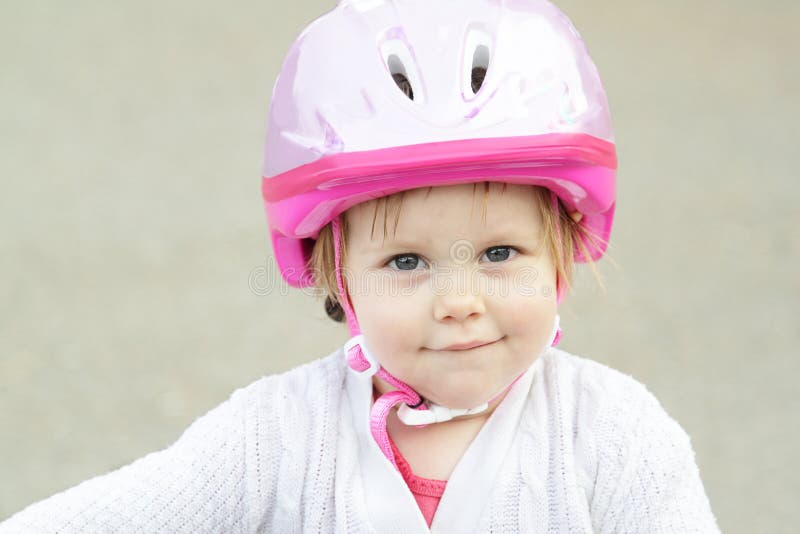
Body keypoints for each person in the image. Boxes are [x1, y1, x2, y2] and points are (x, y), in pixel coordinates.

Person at [1, 0, 721, 532]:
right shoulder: (276, 438)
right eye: (406, 260)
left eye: (500, 253)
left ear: (562, 250)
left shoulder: (616, 438)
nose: (460, 300)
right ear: (336, 273)